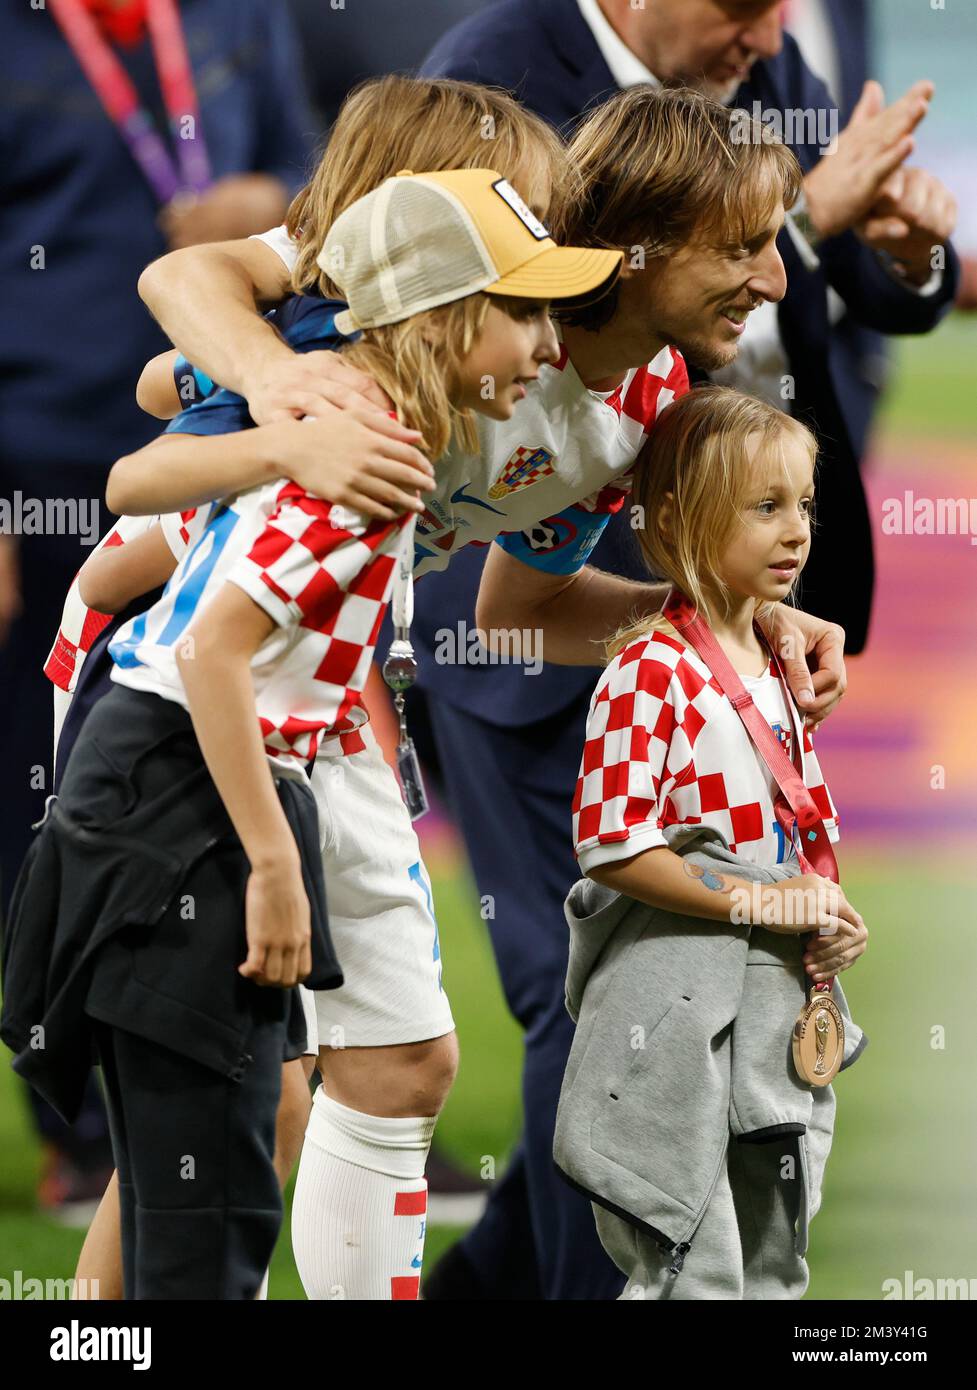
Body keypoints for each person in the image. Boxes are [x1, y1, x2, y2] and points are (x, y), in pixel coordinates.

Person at [126, 79, 854, 1300]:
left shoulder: (639, 416)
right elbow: (172, 327)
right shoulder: (466, 257)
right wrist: (280, 390)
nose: (772, 280)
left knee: (390, 1064)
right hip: (175, 654)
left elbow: (518, 610)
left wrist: (730, 622)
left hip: (327, 673)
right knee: (236, 1079)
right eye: (739, 248)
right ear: (630, 249)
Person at [3, 163, 621, 1299]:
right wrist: (278, 865)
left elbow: (155, 456)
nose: (550, 345)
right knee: (211, 1176)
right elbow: (207, 648)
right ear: (438, 319)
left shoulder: (367, 412)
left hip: (201, 763)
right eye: (524, 310)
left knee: (217, 1153)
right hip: (176, 774)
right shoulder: (363, 446)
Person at [0, 0, 318, 1218]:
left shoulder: (240, 10)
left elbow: (311, 166)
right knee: (57, 792)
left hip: (220, 443)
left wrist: (264, 208)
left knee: (228, 777)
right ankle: (76, 1122)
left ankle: (264, 1100)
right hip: (38, 459)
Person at [560, 384, 869, 1298]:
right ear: (682, 518)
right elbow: (612, 845)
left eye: (804, 506)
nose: (796, 532)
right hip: (675, 995)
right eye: (764, 507)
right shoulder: (646, 667)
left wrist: (829, 920)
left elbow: (793, 836)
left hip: (775, 997)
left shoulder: (782, 663)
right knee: (688, 1258)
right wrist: (749, 899)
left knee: (774, 1262)